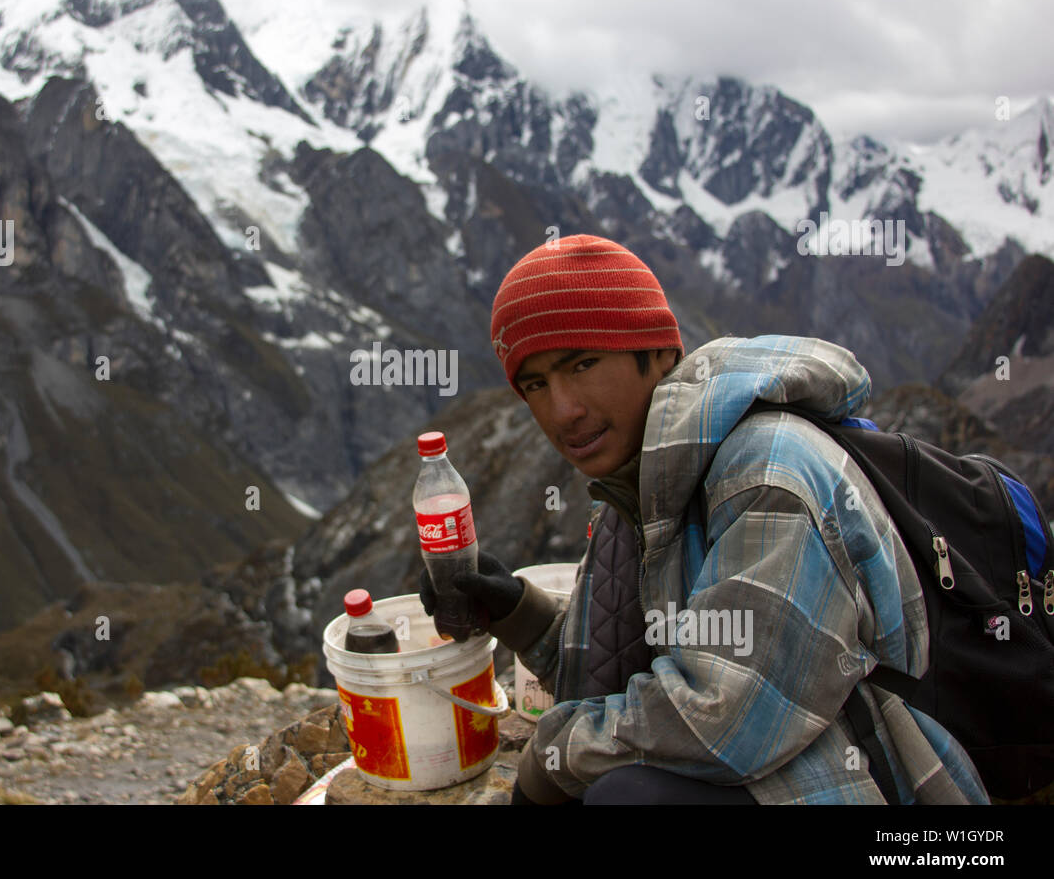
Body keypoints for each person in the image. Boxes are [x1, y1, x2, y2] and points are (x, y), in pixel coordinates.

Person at [421, 233, 989, 805]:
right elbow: (638, 662)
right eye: (536, 384)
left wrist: (552, 761)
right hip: (791, 769)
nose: (563, 410)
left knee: (628, 800)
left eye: (584, 363)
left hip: (889, 789)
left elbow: (724, 718)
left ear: (660, 354)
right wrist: (522, 615)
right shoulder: (638, 483)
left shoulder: (768, 476)